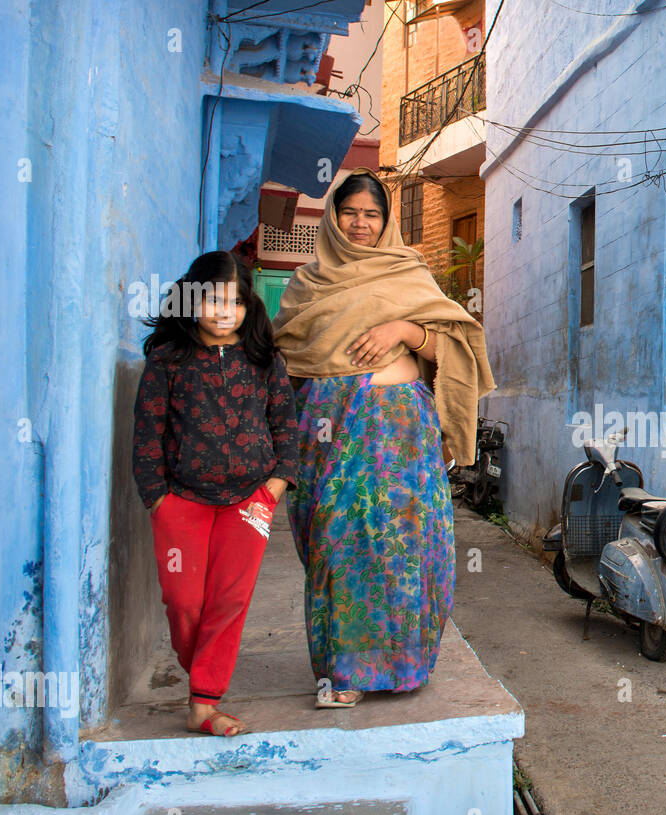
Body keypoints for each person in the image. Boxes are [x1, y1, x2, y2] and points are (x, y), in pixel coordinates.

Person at [273, 168, 494, 708]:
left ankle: (403, 666)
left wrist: (404, 330)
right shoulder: (308, 284)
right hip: (328, 433)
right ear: (332, 216)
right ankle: (343, 672)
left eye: (372, 214)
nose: (361, 223)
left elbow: (456, 350)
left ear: (386, 221)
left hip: (400, 437)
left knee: (406, 545)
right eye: (350, 212)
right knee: (339, 543)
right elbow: (286, 364)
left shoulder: (409, 274)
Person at [132, 251, 300, 736]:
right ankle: (202, 675)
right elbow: (148, 432)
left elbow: (285, 424)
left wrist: (275, 485)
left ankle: (204, 702)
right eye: (212, 300)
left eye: (235, 303)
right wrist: (157, 498)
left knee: (229, 600)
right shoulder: (167, 360)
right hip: (181, 500)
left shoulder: (264, 360)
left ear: (249, 308)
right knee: (183, 601)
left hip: (249, 502)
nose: (224, 312)